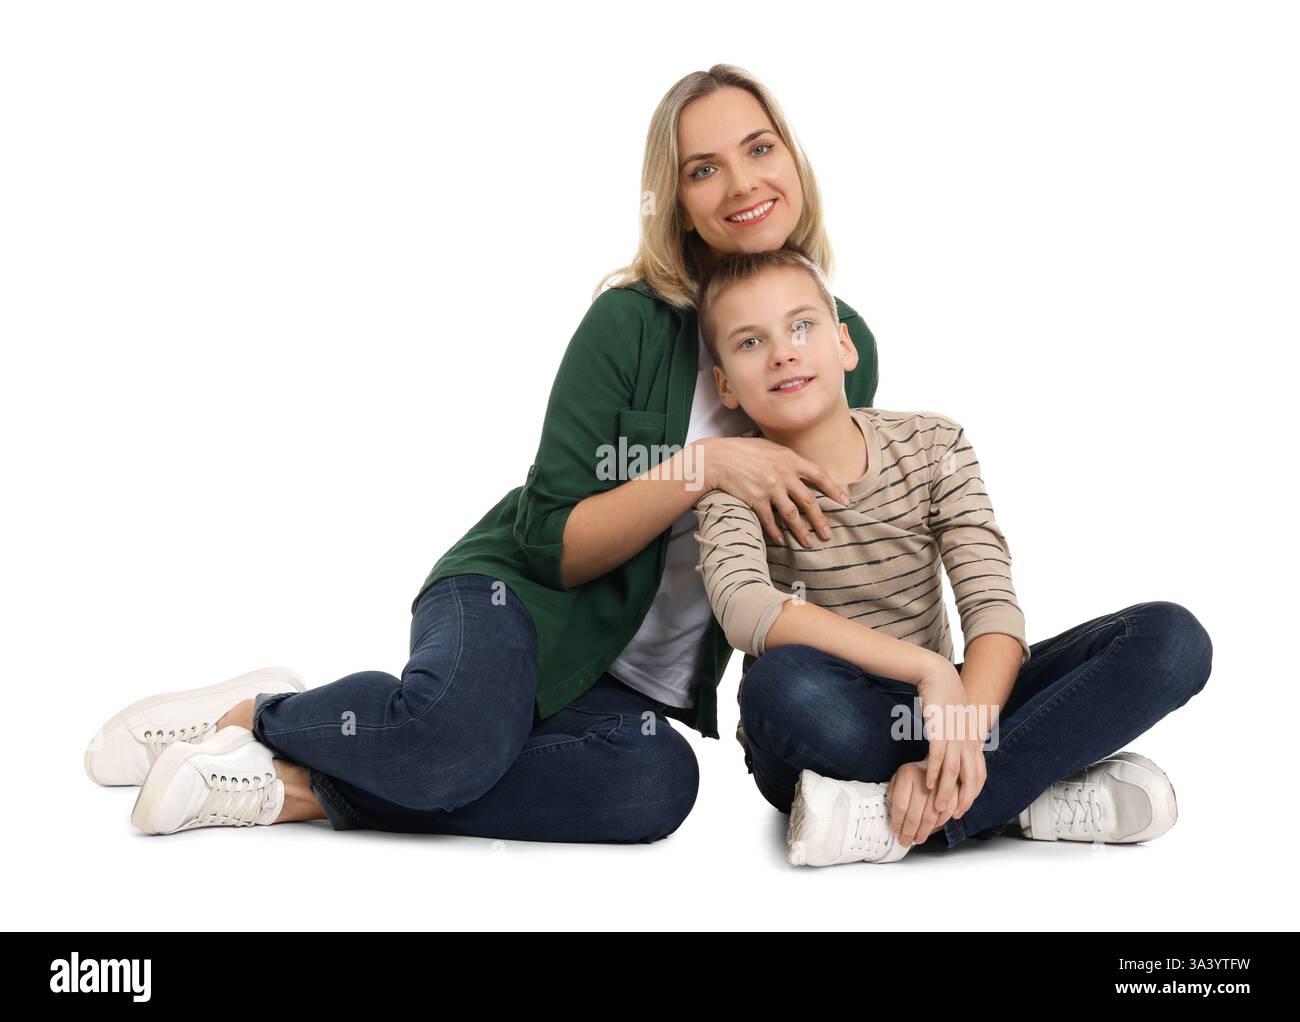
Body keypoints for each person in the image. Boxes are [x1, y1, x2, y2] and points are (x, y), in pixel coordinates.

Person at [83, 65, 888, 840]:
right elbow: (553, 546)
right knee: (451, 739)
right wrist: (704, 468)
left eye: (759, 148)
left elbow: (818, 551)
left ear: (792, 157)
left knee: (655, 786)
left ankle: (300, 786)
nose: (743, 184)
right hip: (515, 603)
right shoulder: (629, 324)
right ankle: (259, 717)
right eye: (704, 168)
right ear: (676, 204)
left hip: (622, 688)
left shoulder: (843, 346)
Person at [692, 247, 1213, 865]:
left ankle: (893, 817)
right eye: (750, 343)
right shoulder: (733, 483)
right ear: (725, 383)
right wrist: (928, 671)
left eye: (801, 326)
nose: (783, 351)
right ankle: (1021, 794)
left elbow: (992, 609)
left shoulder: (934, 443)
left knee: (1171, 638)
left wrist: (960, 726)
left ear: (844, 345)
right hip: (838, 719)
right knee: (782, 687)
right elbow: (748, 609)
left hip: (955, 713)